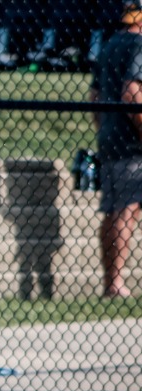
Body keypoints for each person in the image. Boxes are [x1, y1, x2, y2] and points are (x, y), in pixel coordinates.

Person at [90, 0, 142, 298]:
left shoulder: (109, 46)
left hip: (111, 137)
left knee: (115, 210)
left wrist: (104, 128)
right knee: (126, 210)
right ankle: (115, 283)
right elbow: (132, 92)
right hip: (133, 142)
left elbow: (95, 96)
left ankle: (112, 280)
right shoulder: (138, 45)